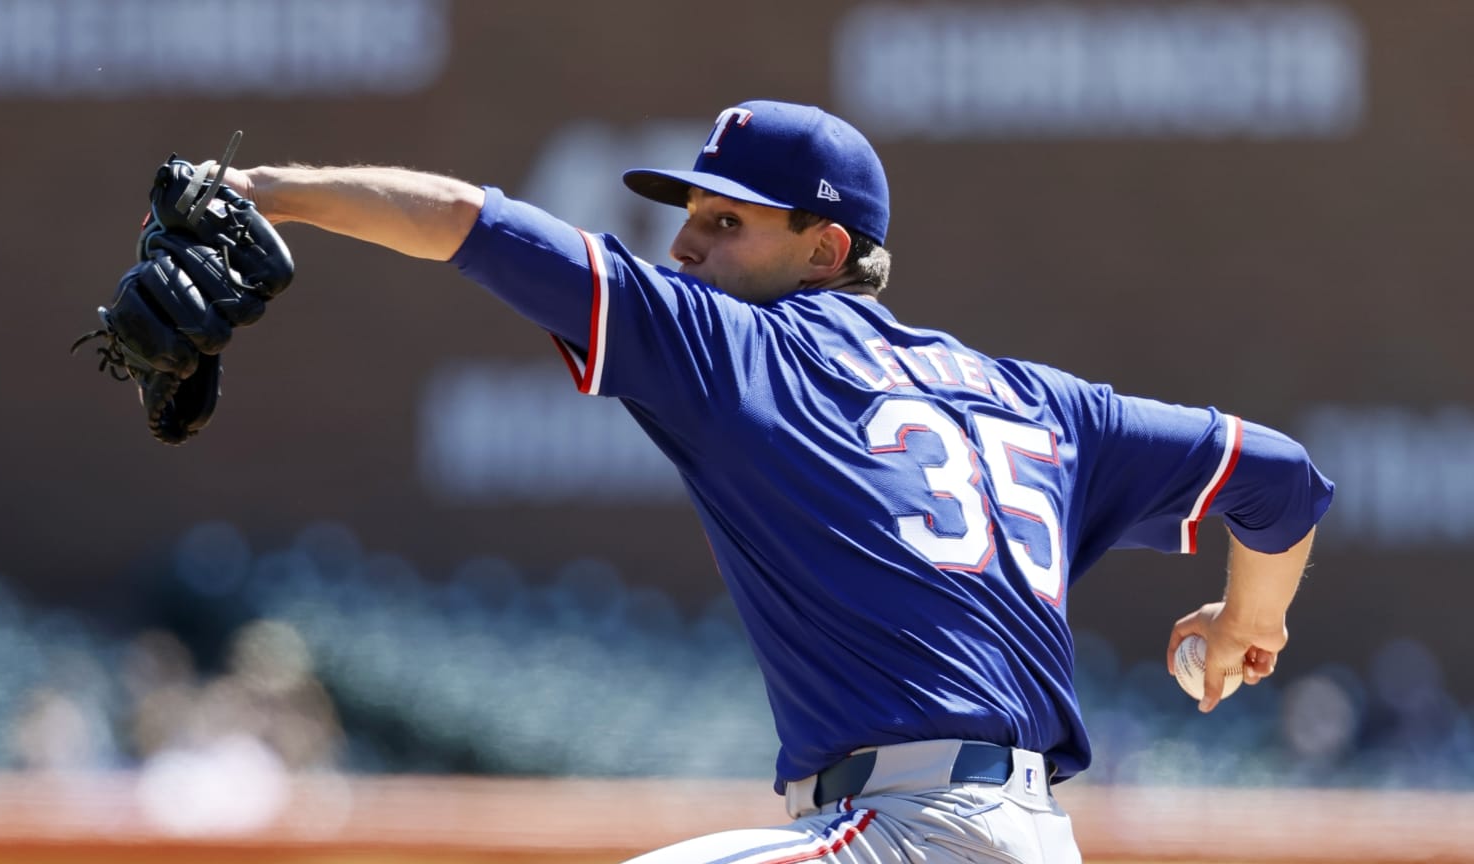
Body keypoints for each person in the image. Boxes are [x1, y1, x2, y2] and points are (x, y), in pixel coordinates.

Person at [217, 100, 1333, 863]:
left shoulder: (742, 350)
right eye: (687, 216)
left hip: (916, 831)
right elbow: (1281, 482)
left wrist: (269, 189)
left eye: (724, 221)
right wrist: (1249, 619)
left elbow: (480, 225)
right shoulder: (1044, 403)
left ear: (826, 250)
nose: (686, 245)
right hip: (1014, 831)